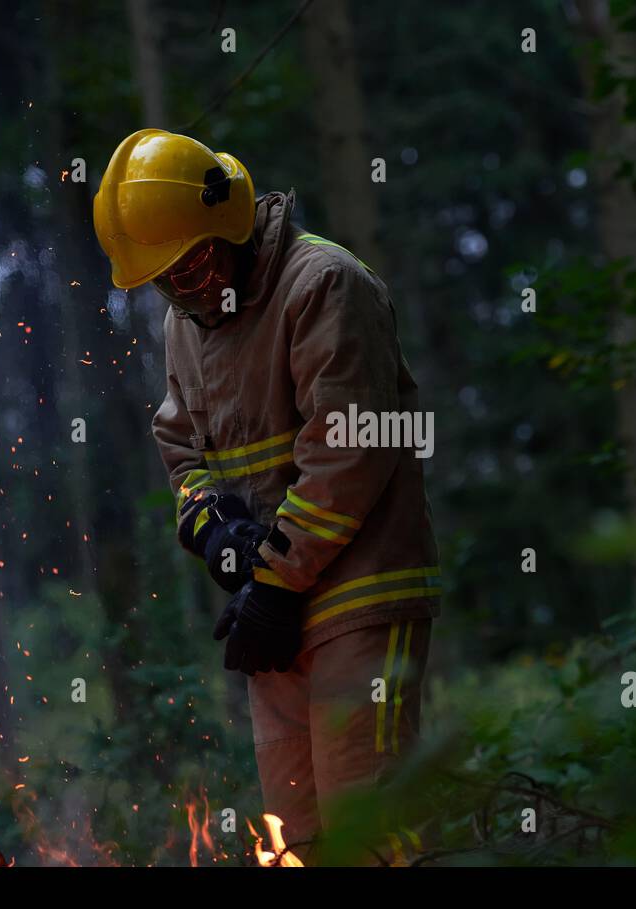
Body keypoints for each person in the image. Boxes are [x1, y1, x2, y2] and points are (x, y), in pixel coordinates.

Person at [93, 129, 440, 862]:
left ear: (232, 224)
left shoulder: (323, 284)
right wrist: (212, 527)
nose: (185, 289)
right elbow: (182, 448)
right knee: (296, 830)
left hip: (358, 593)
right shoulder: (183, 326)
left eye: (194, 266)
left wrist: (277, 579)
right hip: (272, 603)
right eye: (166, 279)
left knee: (368, 819)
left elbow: (350, 450)